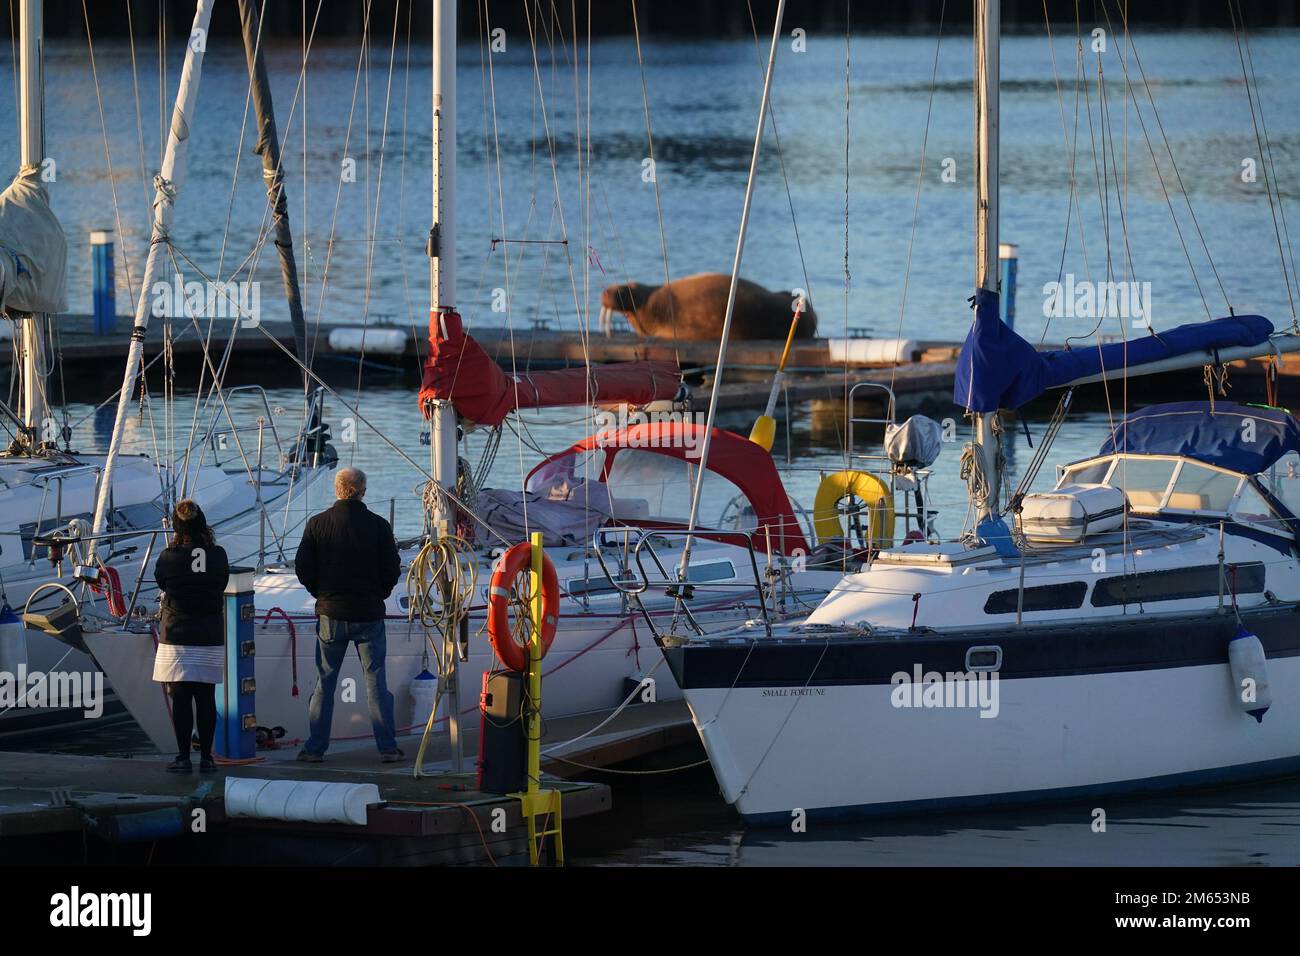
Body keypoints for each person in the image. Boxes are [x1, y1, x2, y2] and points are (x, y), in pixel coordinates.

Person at [294, 467, 403, 763]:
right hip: (369, 613)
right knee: (375, 682)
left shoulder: (317, 524)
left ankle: (315, 748)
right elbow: (392, 568)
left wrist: (321, 592)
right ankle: (388, 748)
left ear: (337, 489)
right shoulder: (379, 526)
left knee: (325, 682)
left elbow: (302, 567)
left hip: (331, 613)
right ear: (363, 490)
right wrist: (380, 592)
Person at [152, 499, 230, 773]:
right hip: (208, 633)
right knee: (206, 698)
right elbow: (222, 583)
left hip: (177, 634)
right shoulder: (218, 554)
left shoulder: (168, 556)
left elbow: (162, 582)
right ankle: (207, 758)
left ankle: (183, 758)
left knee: (181, 699)